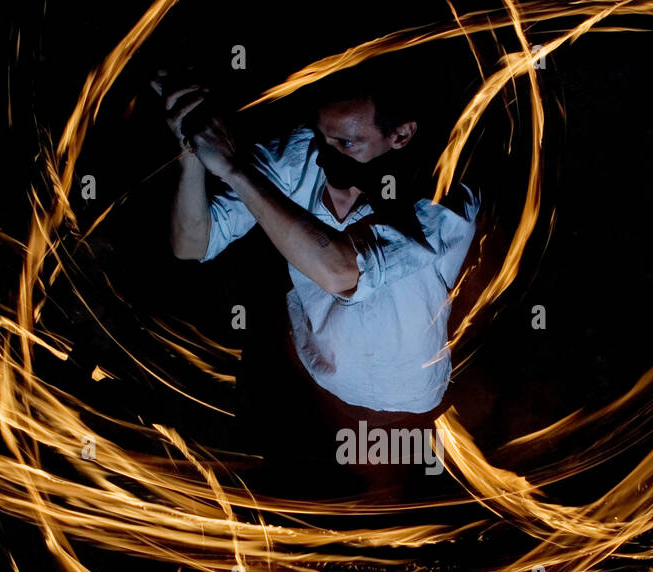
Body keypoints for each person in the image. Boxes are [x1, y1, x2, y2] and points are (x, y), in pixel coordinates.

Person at [152, 65, 480, 489]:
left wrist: (234, 169)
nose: (328, 156)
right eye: (324, 137)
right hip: (317, 385)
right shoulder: (301, 153)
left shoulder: (445, 196)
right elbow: (193, 244)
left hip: (408, 408)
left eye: (348, 143)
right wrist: (192, 156)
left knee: (395, 533)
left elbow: (342, 272)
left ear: (400, 135)